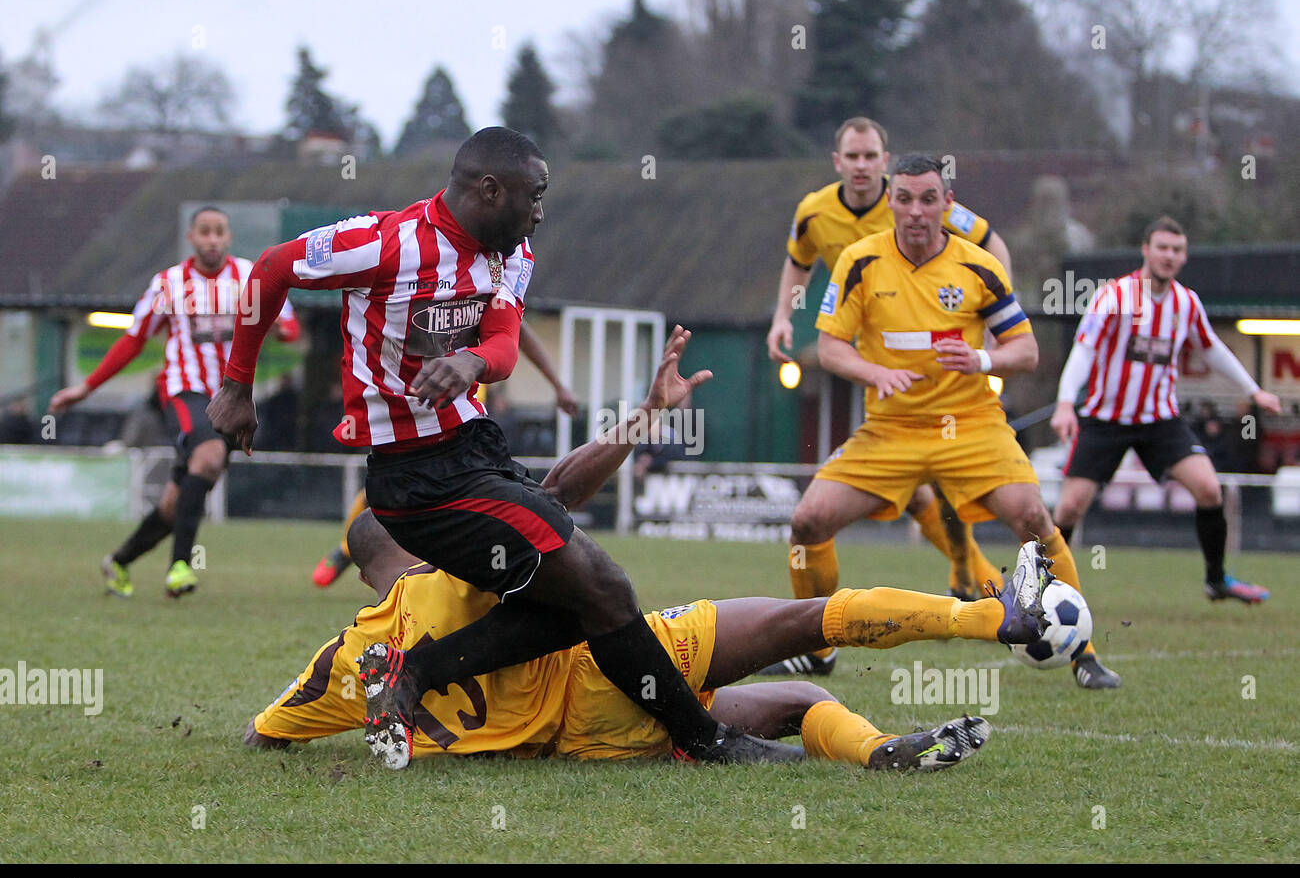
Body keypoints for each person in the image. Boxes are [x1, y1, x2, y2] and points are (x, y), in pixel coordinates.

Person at [207, 130, 789, 767]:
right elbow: (270, 268)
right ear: (490, 189)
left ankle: (411, 672)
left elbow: (505, 350)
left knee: (576, 606)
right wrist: (237, 387)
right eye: (535, 195)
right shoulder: (387, 241)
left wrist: (470, 362)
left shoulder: (509, 254)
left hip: (476, 454)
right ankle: (706, 741)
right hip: (416, 477)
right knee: (605, 585)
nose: (541, 210)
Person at [245, 338, 1053, 768]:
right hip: (609, 663)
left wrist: (288, 730)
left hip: (587, 732)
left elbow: (268, 733)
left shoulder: (353, 655)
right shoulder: (461, 552)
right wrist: (644, 416)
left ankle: (873, 753)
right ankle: (992, 621)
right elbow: (559, 492)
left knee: (794, 706)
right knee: (806, 625)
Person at [787, 153, 1122, 690]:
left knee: (1033, 517)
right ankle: (814, 648)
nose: (916, 211)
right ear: (890, 202)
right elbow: (829, 348)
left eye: (927, 199)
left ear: (947, 204)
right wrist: (873, 370)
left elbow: (1027, 351)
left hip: (970, 424)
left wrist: (983, 360)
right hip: (890, 430)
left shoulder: (978, 266)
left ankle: (1083, 650)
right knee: (808, 522)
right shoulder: (859, 260)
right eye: (905, 199)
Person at [764, 117, 1011, 674]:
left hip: (926, 361)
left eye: (870, 155)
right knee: (914, 496)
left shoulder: (914, 200)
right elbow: (799, 262)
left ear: (884, 159)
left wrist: (997, 325)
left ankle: (988, 590)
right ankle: (987, 589)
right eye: (851, 155)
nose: (860, 164)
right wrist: (784, 316)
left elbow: (992, 244)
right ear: (837, 161)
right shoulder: (814, 211)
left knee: (923, 492)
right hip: (862, 355)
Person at [48, 206, 299, 597]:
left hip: (232, 397)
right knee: (210, 456)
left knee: (176, 501)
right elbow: (134, 339)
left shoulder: (250, 276)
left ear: (228, 237)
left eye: (219, 232)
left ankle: (120, 561)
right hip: (186, 390)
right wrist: (87, 387)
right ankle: (181, 566)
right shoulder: (168, 284)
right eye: (205, 232)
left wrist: (283, 329)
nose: (212, 239)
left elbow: (290, 324)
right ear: (192, 237)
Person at [1050, 216, 1280, 604]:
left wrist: (1253, 391)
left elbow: (1211, 349)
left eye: (1176, 250)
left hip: (1160, 420)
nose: (1169, 256)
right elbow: (1084, 349)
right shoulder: (1115, 297)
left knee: (1209, 489)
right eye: (1162, 248)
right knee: (1070, 507)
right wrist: (1065, 403)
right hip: (1105, 418)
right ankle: (1043, 587)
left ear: (1184, 256)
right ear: (1146, 250)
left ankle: (1216, 580)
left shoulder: (1186, 303)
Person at [311, 322, 579, 588]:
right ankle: (347, 550)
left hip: (467, 416)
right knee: (388, 491)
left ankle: (457, 573)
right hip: (418, 404)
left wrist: (558, 386)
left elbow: (515, 331)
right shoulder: (419, 290)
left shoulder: (489, 292)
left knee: (469, 495)